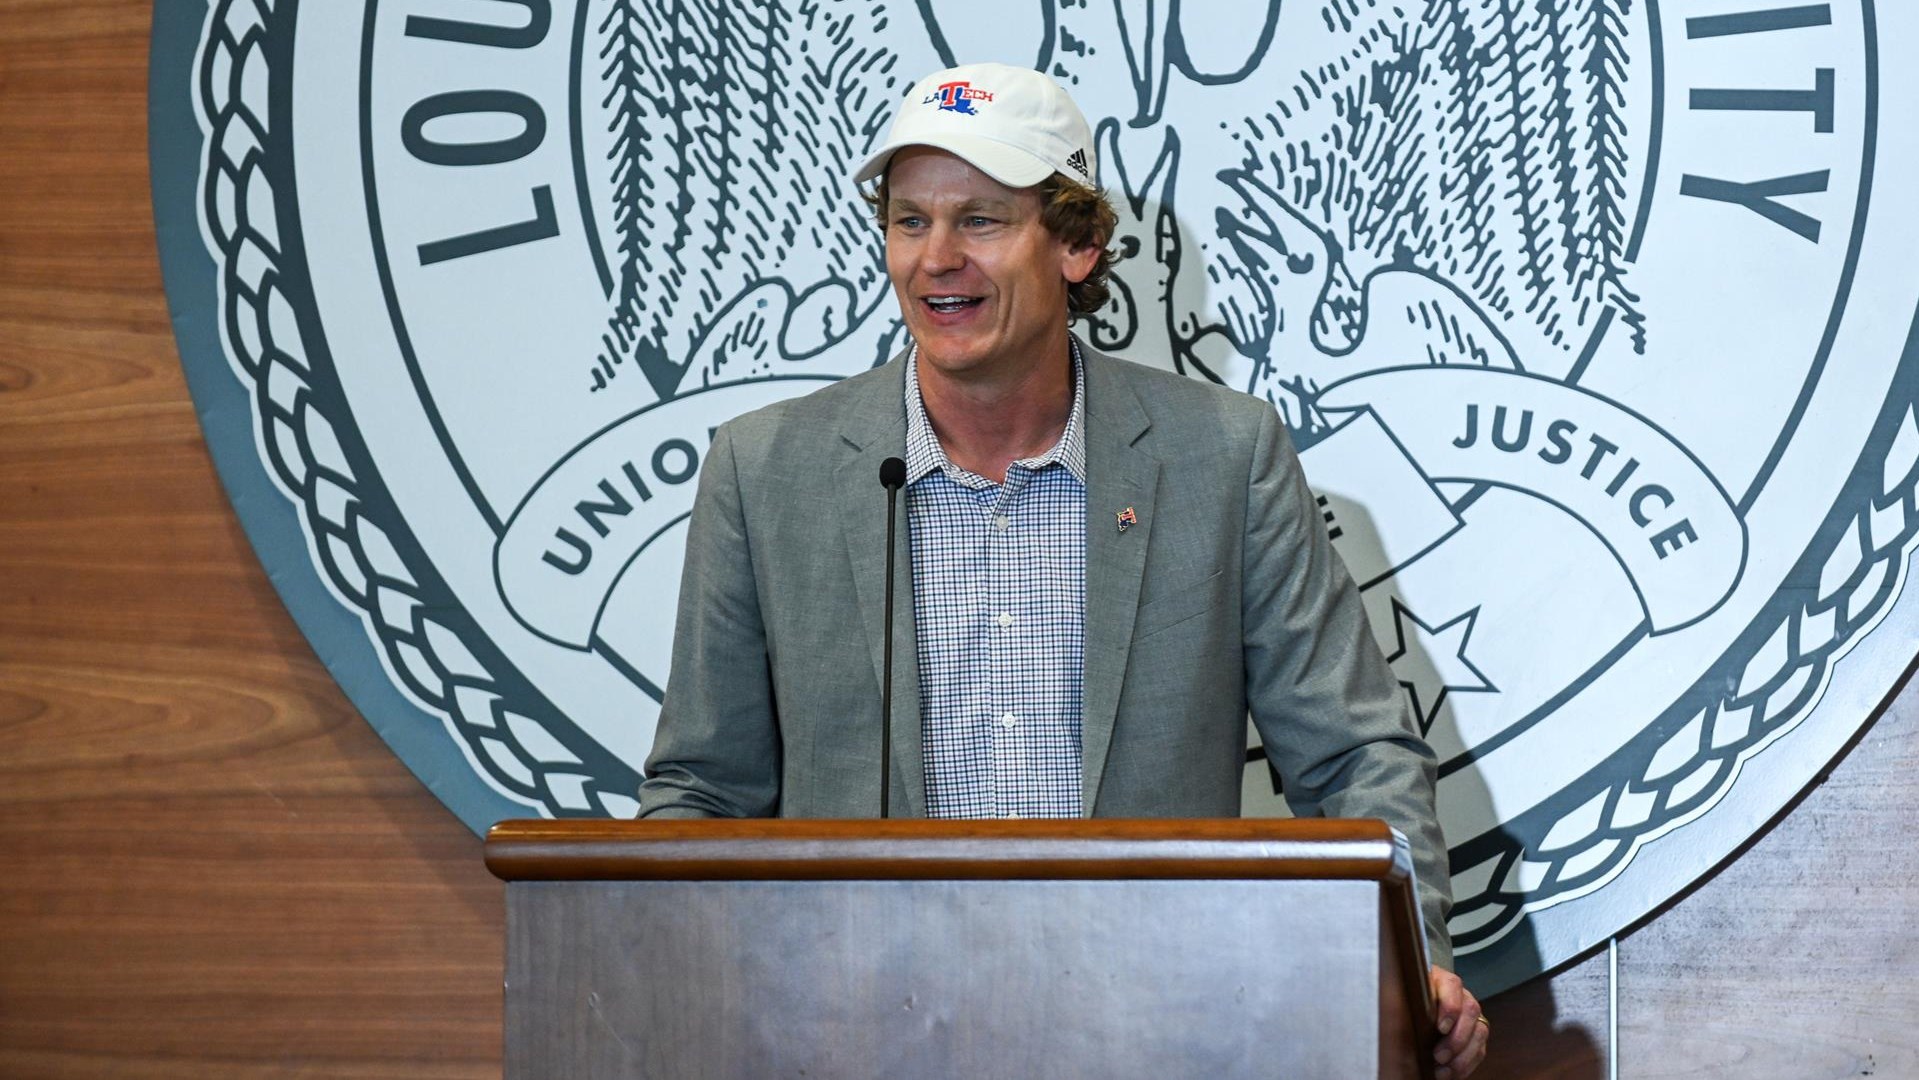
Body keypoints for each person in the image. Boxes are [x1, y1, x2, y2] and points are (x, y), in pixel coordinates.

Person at [638, 62, 1488, 1078]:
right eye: (909, 221)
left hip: (1160, 1035)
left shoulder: (1221, 455)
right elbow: (703, 793)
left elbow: (1355, 760)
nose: (935, 260)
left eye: (981, 221)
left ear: (1077, 244)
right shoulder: (763, 467)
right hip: (852, 1035)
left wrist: (1411, 966)